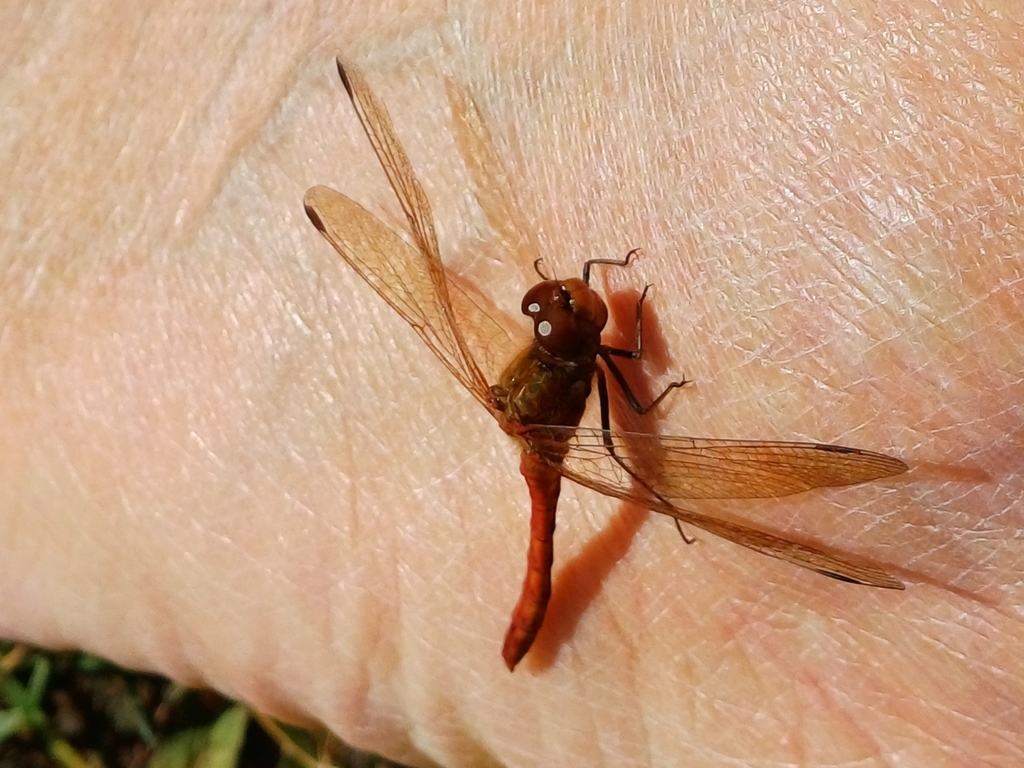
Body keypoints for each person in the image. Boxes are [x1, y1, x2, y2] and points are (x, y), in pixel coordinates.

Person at [1, 2, 1019, 765]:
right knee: (633, 453)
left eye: (565, 311)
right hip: (553, 446)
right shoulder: (591, 367)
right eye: (561, 311)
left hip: (541, 433)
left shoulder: (558, 361)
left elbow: (603, 403)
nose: (566, 304)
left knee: (627, 454)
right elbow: (627, 429)